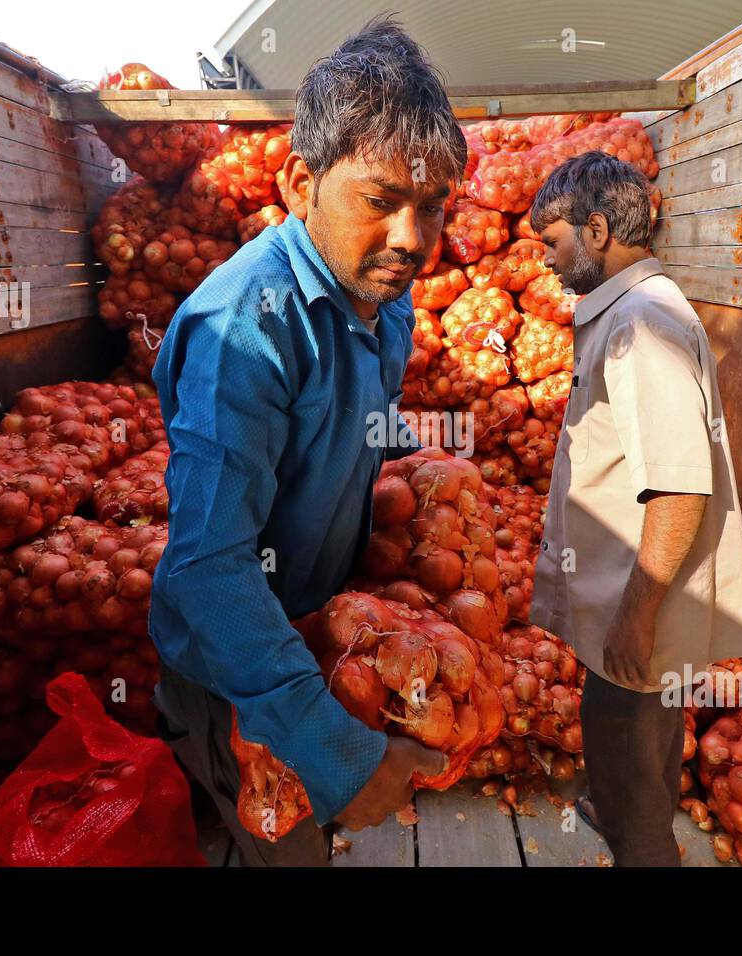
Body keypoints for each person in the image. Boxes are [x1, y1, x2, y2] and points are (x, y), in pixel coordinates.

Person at [148, 16, 466, 866]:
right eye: (379, 201)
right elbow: (209, 569)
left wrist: (418, 477)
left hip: (318, 635)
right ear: (298, 183)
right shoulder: (240, 333)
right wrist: (333, 751)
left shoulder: (382, 302)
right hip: (240, 675)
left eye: (431, 207)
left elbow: (361, 424)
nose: (410, 237)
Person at [527, 151, 742, 866]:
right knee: (636, 735)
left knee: (628, 740)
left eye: (553, 240)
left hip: (636, 593)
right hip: (630, 590)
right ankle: (631, 818)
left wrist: (637, 612)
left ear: (597, 230)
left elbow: (679, 483)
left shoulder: (639, 325)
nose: (547, 259)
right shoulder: (634, 312)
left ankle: (643, 846)